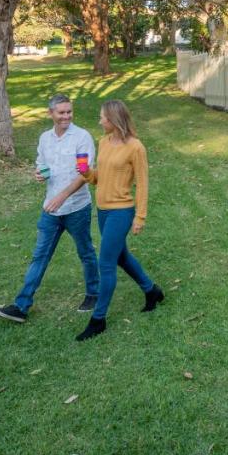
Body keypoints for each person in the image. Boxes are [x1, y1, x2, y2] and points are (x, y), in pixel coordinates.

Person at [0, 94, 98, 323]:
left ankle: (93, 294)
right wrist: (39, 173)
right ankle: (21, 306)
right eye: (61, 112)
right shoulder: (45, 139)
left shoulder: (82, 137)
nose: (66, 116)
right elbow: (41, 163)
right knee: (40, 255)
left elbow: (85, 174)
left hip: (76, 207)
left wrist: (63, 196)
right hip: (51, 208)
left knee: (85, 252)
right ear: (51, 114)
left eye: (69, 112)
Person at [74, 99, 164, 341]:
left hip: (121, 212)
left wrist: (140, 216)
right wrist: (87, 173)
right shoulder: (103, 142)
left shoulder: (135, 147)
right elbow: (99, 178)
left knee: (106, 263)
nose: (100, 120)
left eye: (102, 117)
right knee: (121, 257)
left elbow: (143, 184)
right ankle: (152, 291)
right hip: (102, 210)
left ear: (113, 119)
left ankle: (98, 319)